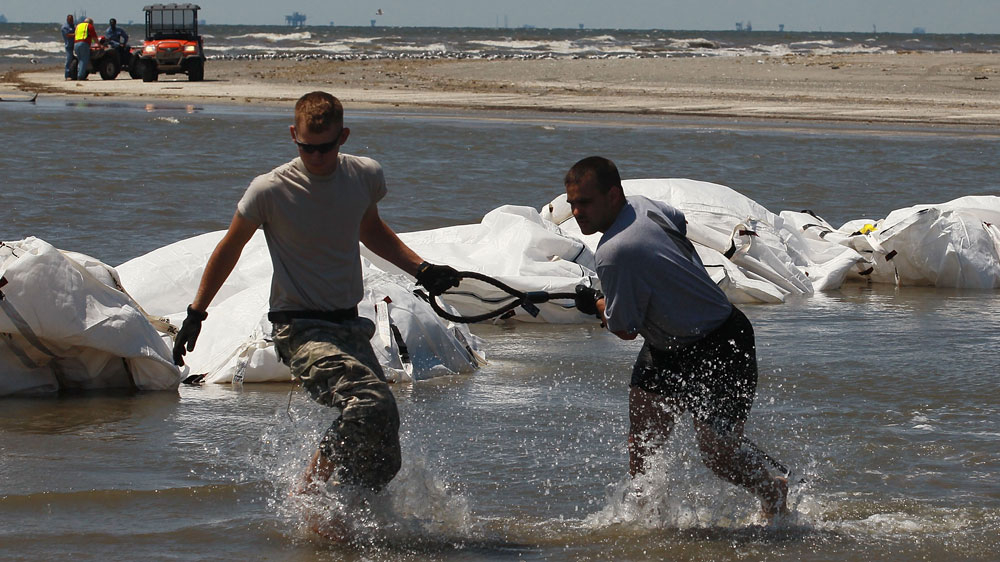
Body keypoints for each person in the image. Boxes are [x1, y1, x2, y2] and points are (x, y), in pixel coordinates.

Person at [171, 91, 460, 534]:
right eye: (307, 147)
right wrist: (197, 312)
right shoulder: (269, 189)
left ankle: (345, 520)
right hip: (298, 326)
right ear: (293, 136)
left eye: (326, 147)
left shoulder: (364, 176)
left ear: (343, 136)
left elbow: (371, 230)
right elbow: (230, 247)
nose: (317, 156)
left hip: (349, 324)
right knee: (368, 403)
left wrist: (421, 268)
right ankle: (306, 495)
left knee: (384, 442)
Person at [565, 156, 789, 520]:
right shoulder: (645, 205)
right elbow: (679, 223)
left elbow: (623, 329)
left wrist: (597, 303)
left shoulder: (612, 252)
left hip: (722, 343)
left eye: (585, 202)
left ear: (613, 195)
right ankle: (649, 521)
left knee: (718, 455)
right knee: (643, 444)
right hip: (666, 346)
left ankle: (773, 493)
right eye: (572, 203)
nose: (577, 211)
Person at [61, 15, 75, 80]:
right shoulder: (65, 27)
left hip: (74, 45)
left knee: (74, 60)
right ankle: (67, 75)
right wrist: (76, 34)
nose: (71, 21)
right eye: (70, 19)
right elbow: (67, 35)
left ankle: (73, 75)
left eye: (72, 19)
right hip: (69, 46)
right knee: (69, 60)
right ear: (67, 19)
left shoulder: (73, 26)